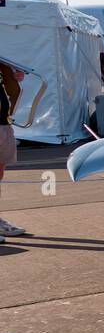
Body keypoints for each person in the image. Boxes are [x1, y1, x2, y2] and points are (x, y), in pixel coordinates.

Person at [0, 58, 29, 242]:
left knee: (0, 172)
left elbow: (11, 86)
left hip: (4, 123)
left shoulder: (3, 62)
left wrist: (14, 77)